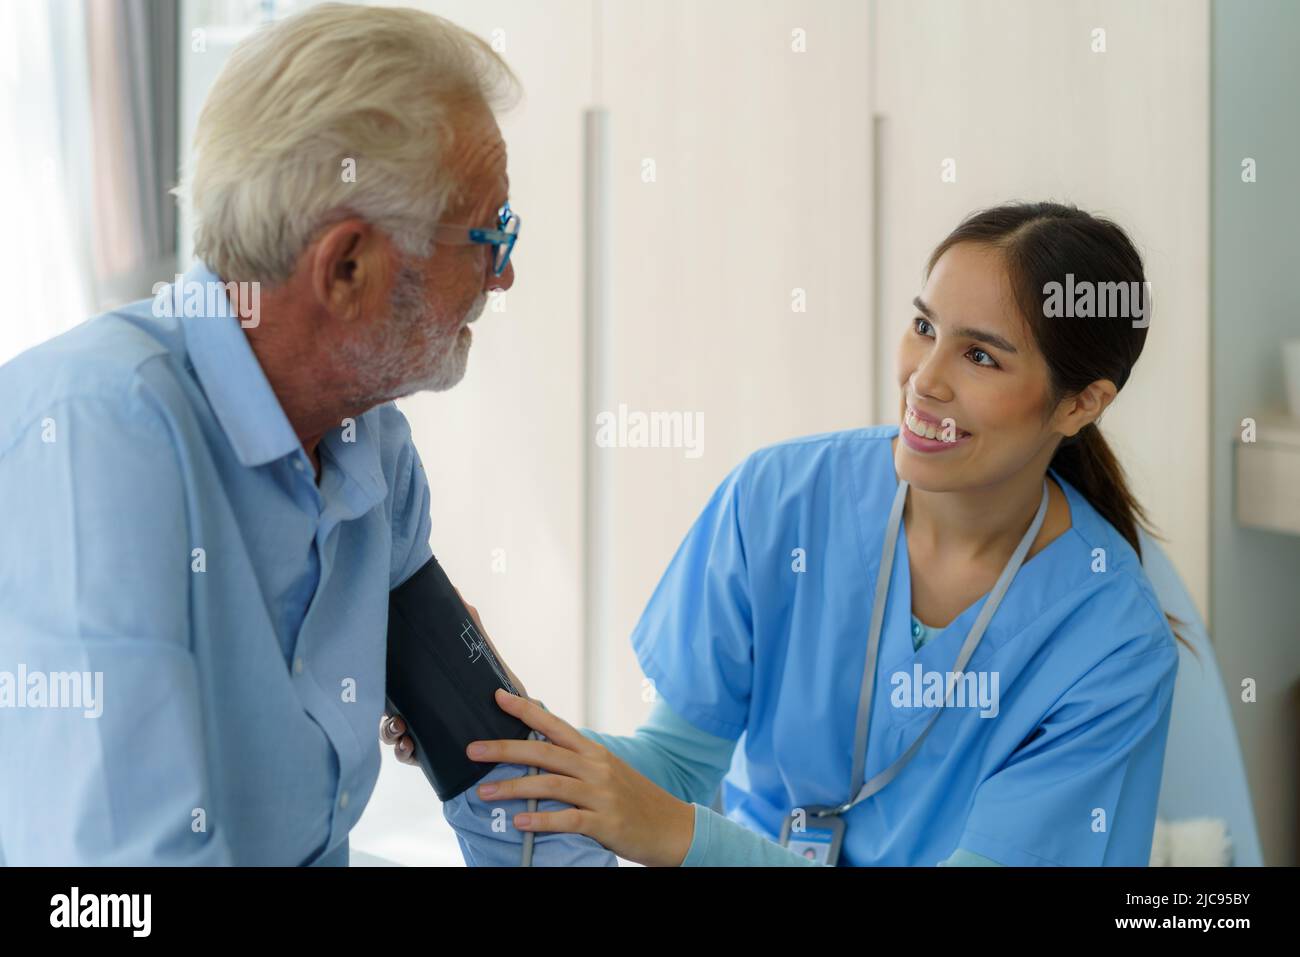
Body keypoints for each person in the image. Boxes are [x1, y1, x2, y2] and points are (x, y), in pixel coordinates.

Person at [389, 202, 1183, 867]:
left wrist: (679, 835)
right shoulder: (780, 501)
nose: (925, 378)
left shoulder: (1112, 642)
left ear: (1081, 404)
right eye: (923, 325)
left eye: (980, 354)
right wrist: (506, 736)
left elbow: (673, 813)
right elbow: (678, 763)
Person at [0, 3, 606, 866]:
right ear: (347, 266)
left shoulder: (370, 449)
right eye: (487, 233)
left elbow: (497, 771)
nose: (503, 274)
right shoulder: (100, 435)